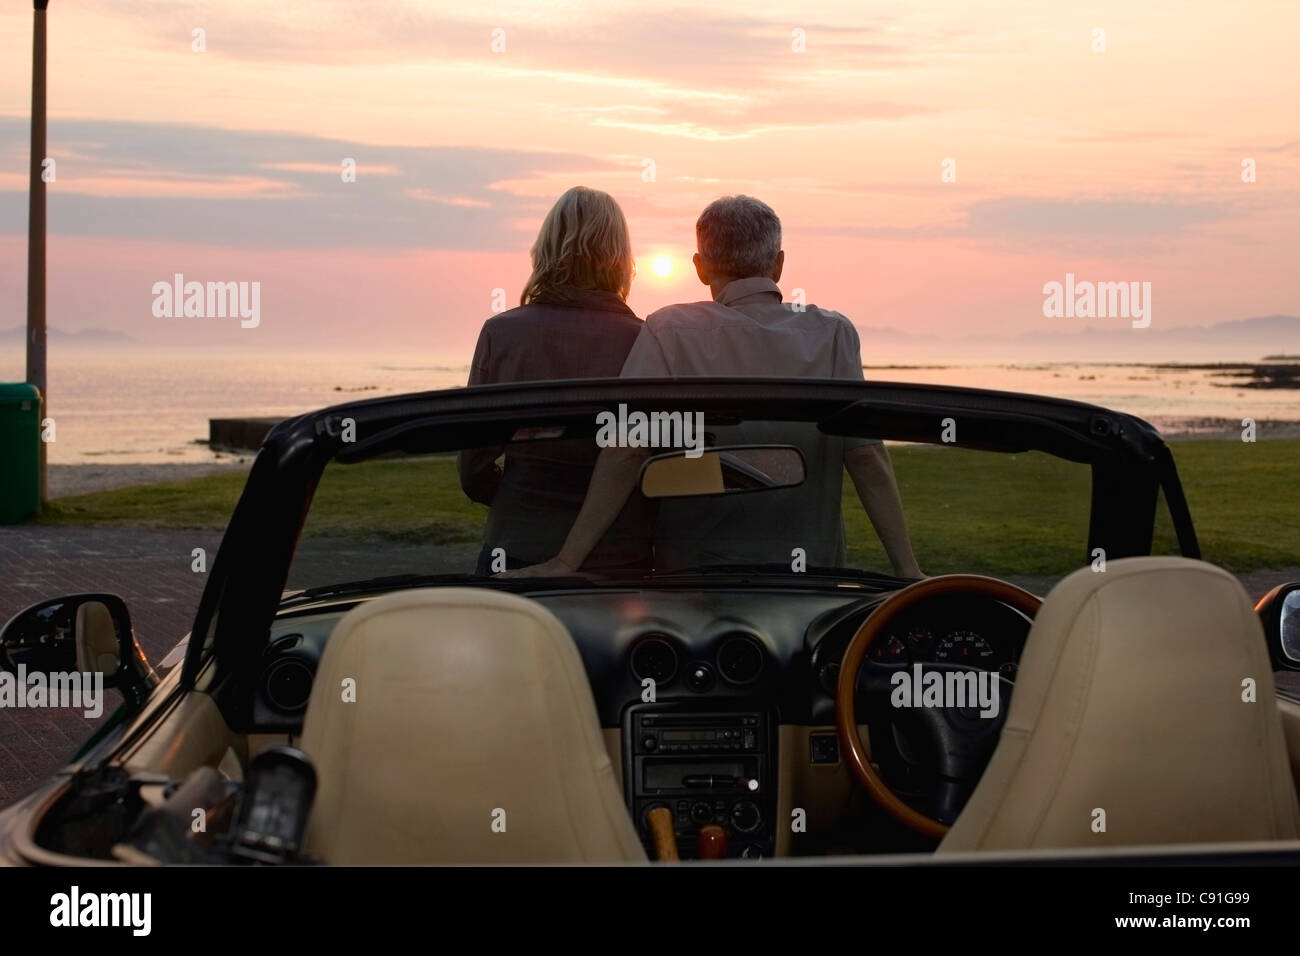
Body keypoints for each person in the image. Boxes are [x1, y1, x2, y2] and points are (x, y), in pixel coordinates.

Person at [501, 194, 922, 579]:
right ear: (778, 265)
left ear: (700, 268)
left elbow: (628, 447)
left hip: (694, 576)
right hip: (809, 576)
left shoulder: (670, 329)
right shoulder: (833, 333)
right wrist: (909, 574)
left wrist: (567, 559)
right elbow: (867, 459)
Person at [457, 186, 652, 573]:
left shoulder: (502, 333)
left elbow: (473, 464)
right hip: (618, 554)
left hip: (516, 544)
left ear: (545, 248)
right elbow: (648, 452)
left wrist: (512, 497)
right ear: (620, 257)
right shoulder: (645, 339)